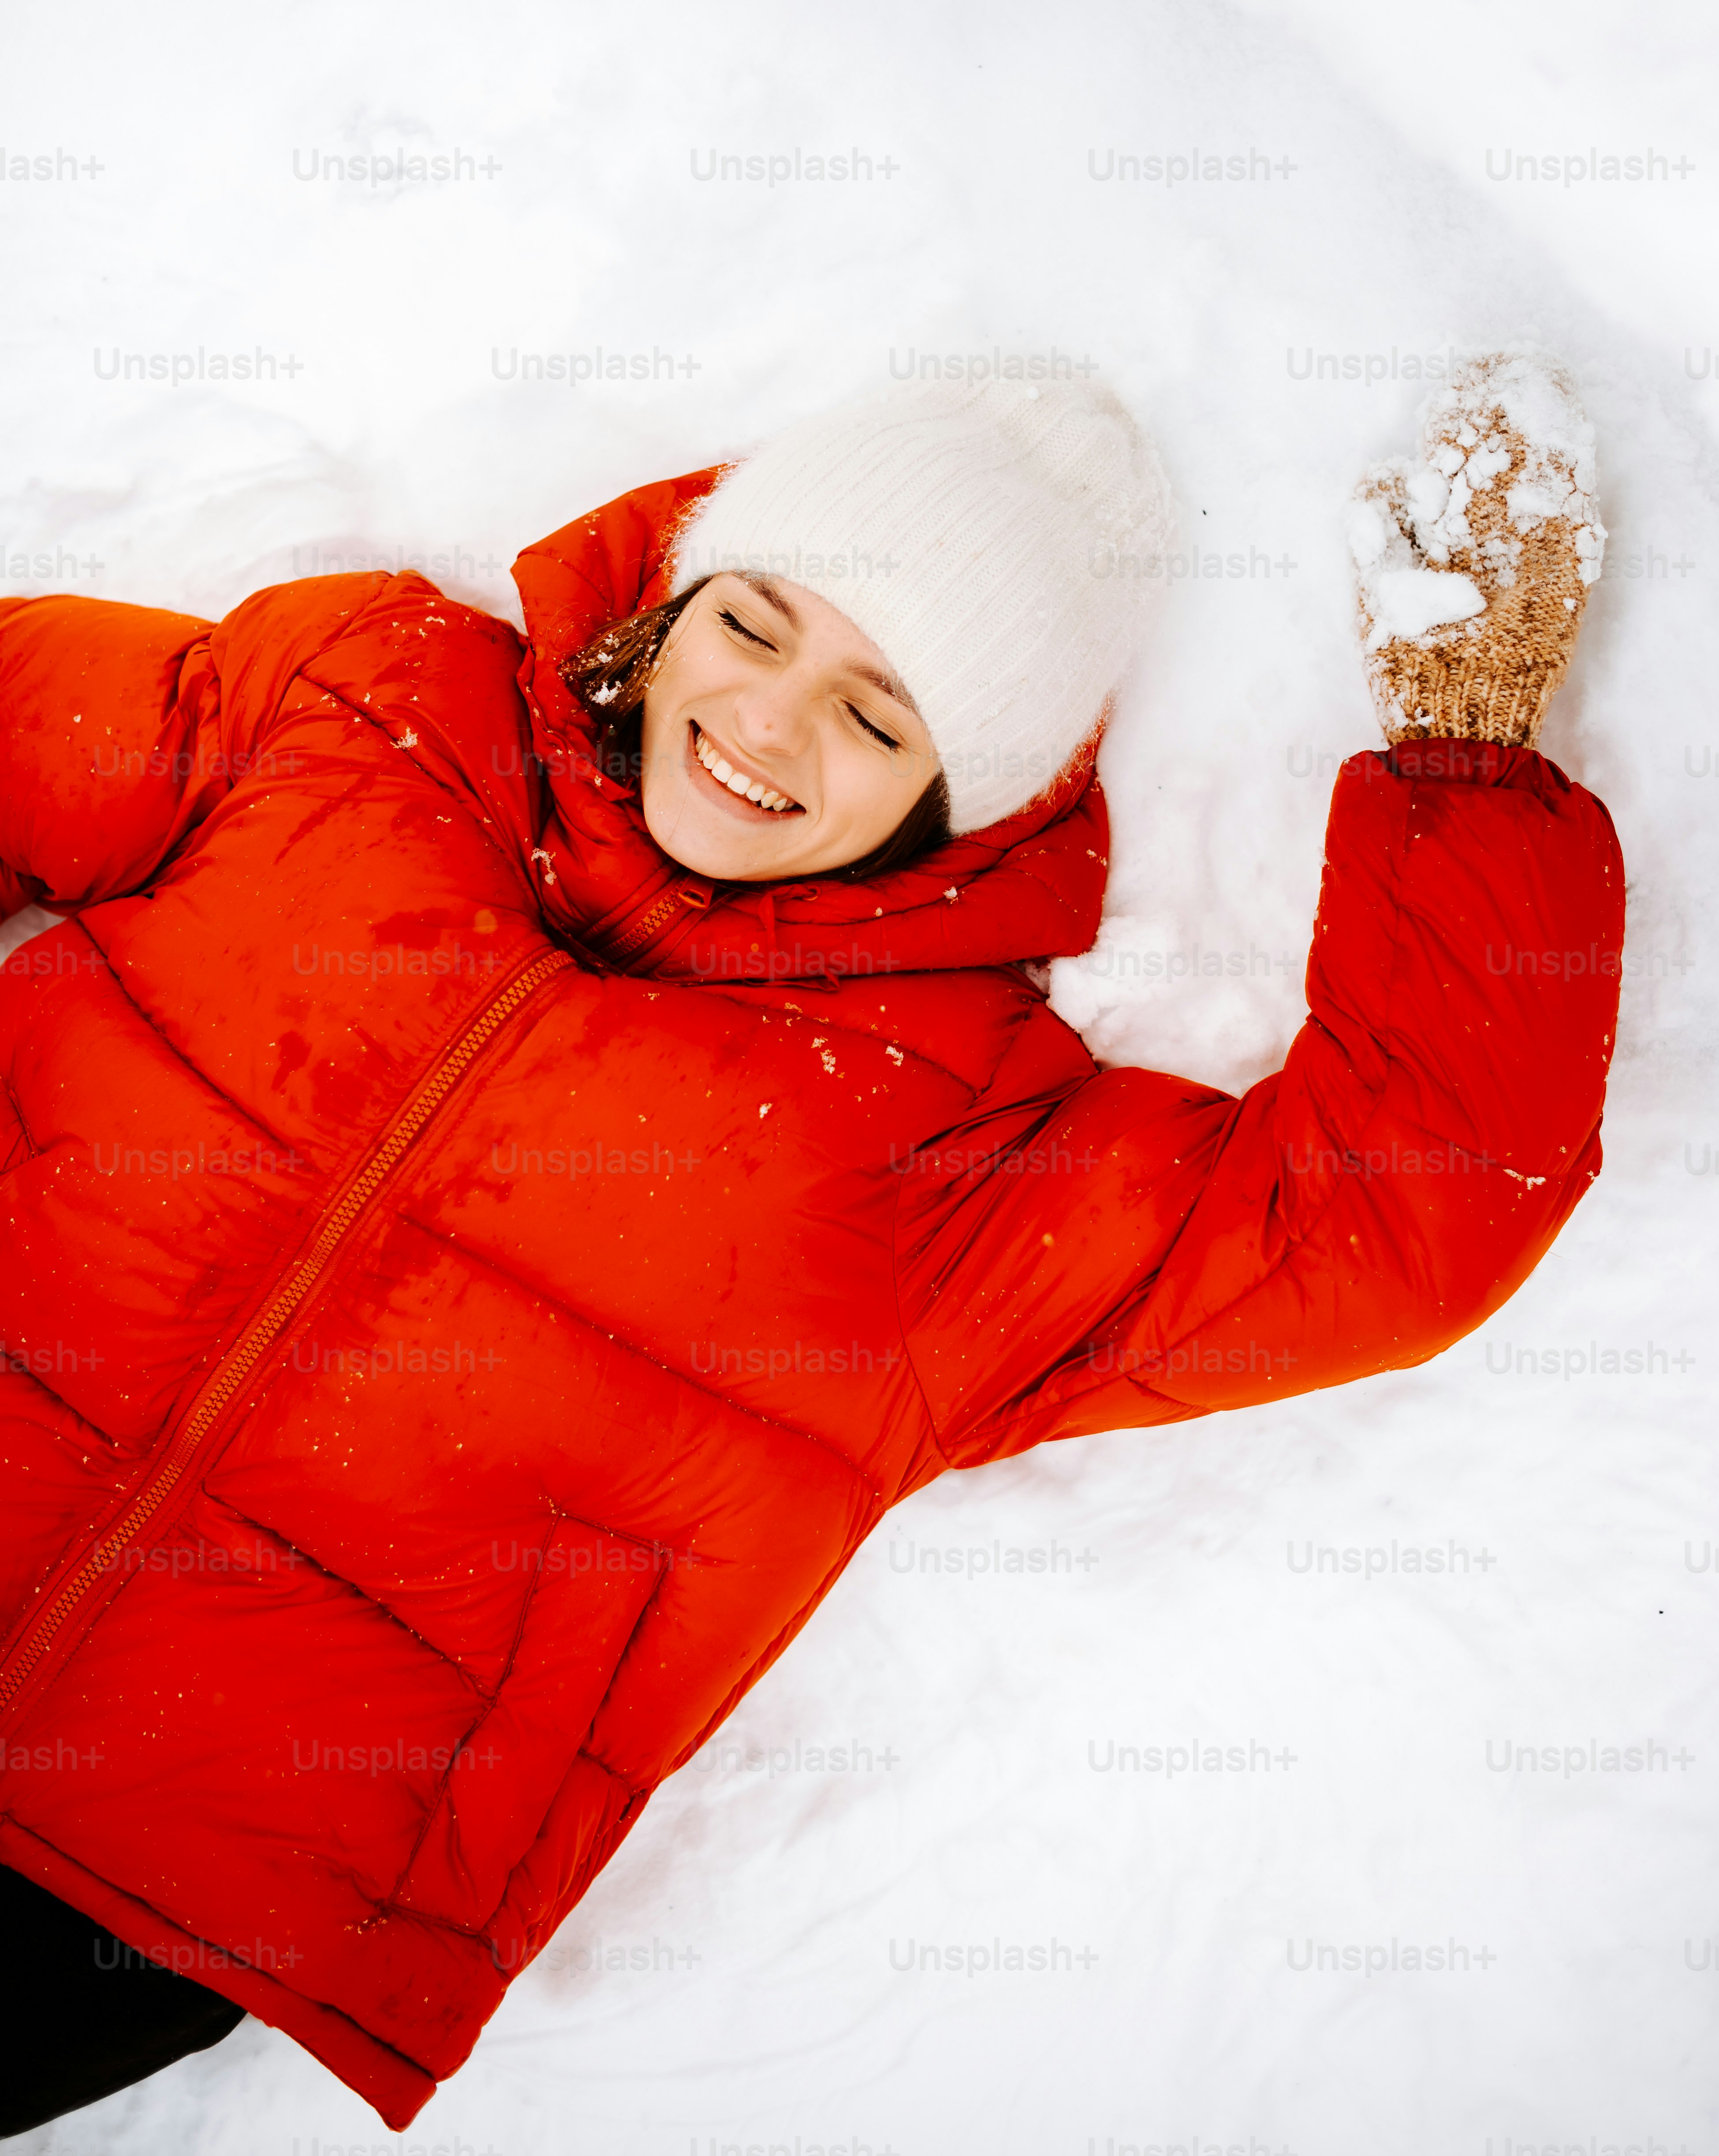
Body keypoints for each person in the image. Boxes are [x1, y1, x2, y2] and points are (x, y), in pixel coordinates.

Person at [0, 357, 1621, 2134]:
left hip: (152, 1879)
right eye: (756, 623)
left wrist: (1467, 760)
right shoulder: (361, 710)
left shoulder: (953, 1157)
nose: (765, 726)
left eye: (874, 714)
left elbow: (1399, 1212)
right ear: (683, 588)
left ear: (968, 786)